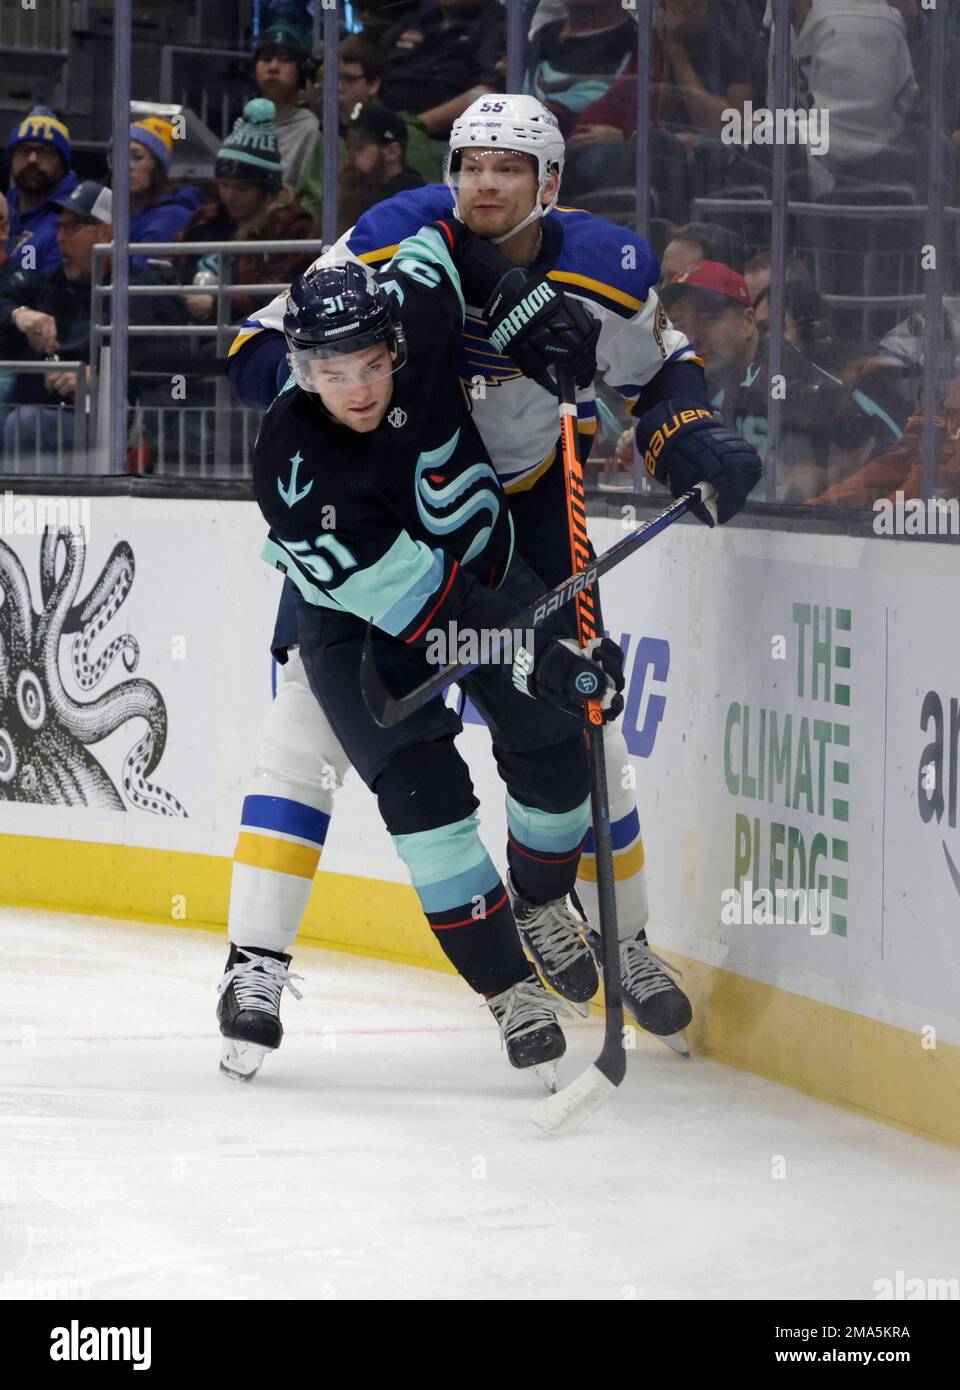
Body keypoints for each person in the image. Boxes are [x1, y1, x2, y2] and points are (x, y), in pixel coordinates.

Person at [226, 94, 762, 1051]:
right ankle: (255, 965)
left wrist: (685, 430)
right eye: (469, 163)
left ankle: (608, 933)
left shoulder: (605, 264)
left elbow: (658, 370)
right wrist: (334, 411)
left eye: (507, 168)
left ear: (549, 182)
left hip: (518, 509)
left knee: (580, 729)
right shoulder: (392, 240)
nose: (483, 181)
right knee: (311, 728)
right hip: (370, 517)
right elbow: (260, 346)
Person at [221, 231, 624, 1083]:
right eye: (332, 373)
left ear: (394, 342)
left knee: (558, 756)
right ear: (298, 368)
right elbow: (439, 612)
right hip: (363, 625)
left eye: (370, 364)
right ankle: (509, 991)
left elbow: (446, 234)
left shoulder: (418, 308)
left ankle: (543, 897)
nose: (357, 389)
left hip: (484, 569)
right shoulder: (294, 471)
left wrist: (519, 299)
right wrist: (543, 655)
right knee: (424, 801)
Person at [659, 259, 902, 500]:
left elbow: (896, 451)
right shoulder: (717, 395)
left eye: (707, 317)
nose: (692, 338)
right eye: (679, 325)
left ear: (747, 322)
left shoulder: (791, 381)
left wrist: (825, 484)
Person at [0, 181, 188, 465]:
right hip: (46, 409)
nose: (60, 238)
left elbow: (168, 372)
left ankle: (30, 509)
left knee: (27, 423)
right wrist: (21, 314)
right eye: (59, 227)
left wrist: (100, 378)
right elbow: (7, 297)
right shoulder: (51, 282)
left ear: (105, 232)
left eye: (72, 227)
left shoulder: (142, 293)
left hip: (112, 423)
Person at [177, 99, 312, 325]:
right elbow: (169, 267)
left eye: (242, 188)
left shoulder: (290, 226)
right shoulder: (206, 219)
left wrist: (218, 306)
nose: (229, 196)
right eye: (224, 185)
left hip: (250, 331)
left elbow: (283, 292)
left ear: (267, 191)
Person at [295, 34, 441, 226]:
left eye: (347, 79)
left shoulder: (408, 137)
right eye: (331, 80)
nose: (337, 88)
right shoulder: (328, 135)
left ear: (373, 84)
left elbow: (431, 209)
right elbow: (304, 196)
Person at [378, 0, 507, 137]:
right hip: (382, 123)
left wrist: (413, 126)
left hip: (437, 136)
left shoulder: (496, 24)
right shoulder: (418, 20)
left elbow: (488, 94)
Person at [4, 107, 78, 274]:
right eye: (24, 150)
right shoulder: (4, 209)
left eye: (44, 152)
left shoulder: (72, 220)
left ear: (62, 165)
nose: (32, 160)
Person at [122, 116, 204, 259]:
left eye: (137, 157)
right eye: (119, 156)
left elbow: (140, 276)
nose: (127, 166)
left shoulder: (170, 218)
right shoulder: (124, 211)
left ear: (157, 166)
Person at [337, 103, 425, 235]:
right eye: (348, 147)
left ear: (392, 152)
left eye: (359, 147)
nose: (350, 157)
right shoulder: (354, 193)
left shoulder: (412, 204)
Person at [252, 21, 320, 189]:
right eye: (266, 59)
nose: (273, 67)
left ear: (302, 69)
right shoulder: (246, 123)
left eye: (284, 59)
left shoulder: (311, 129)